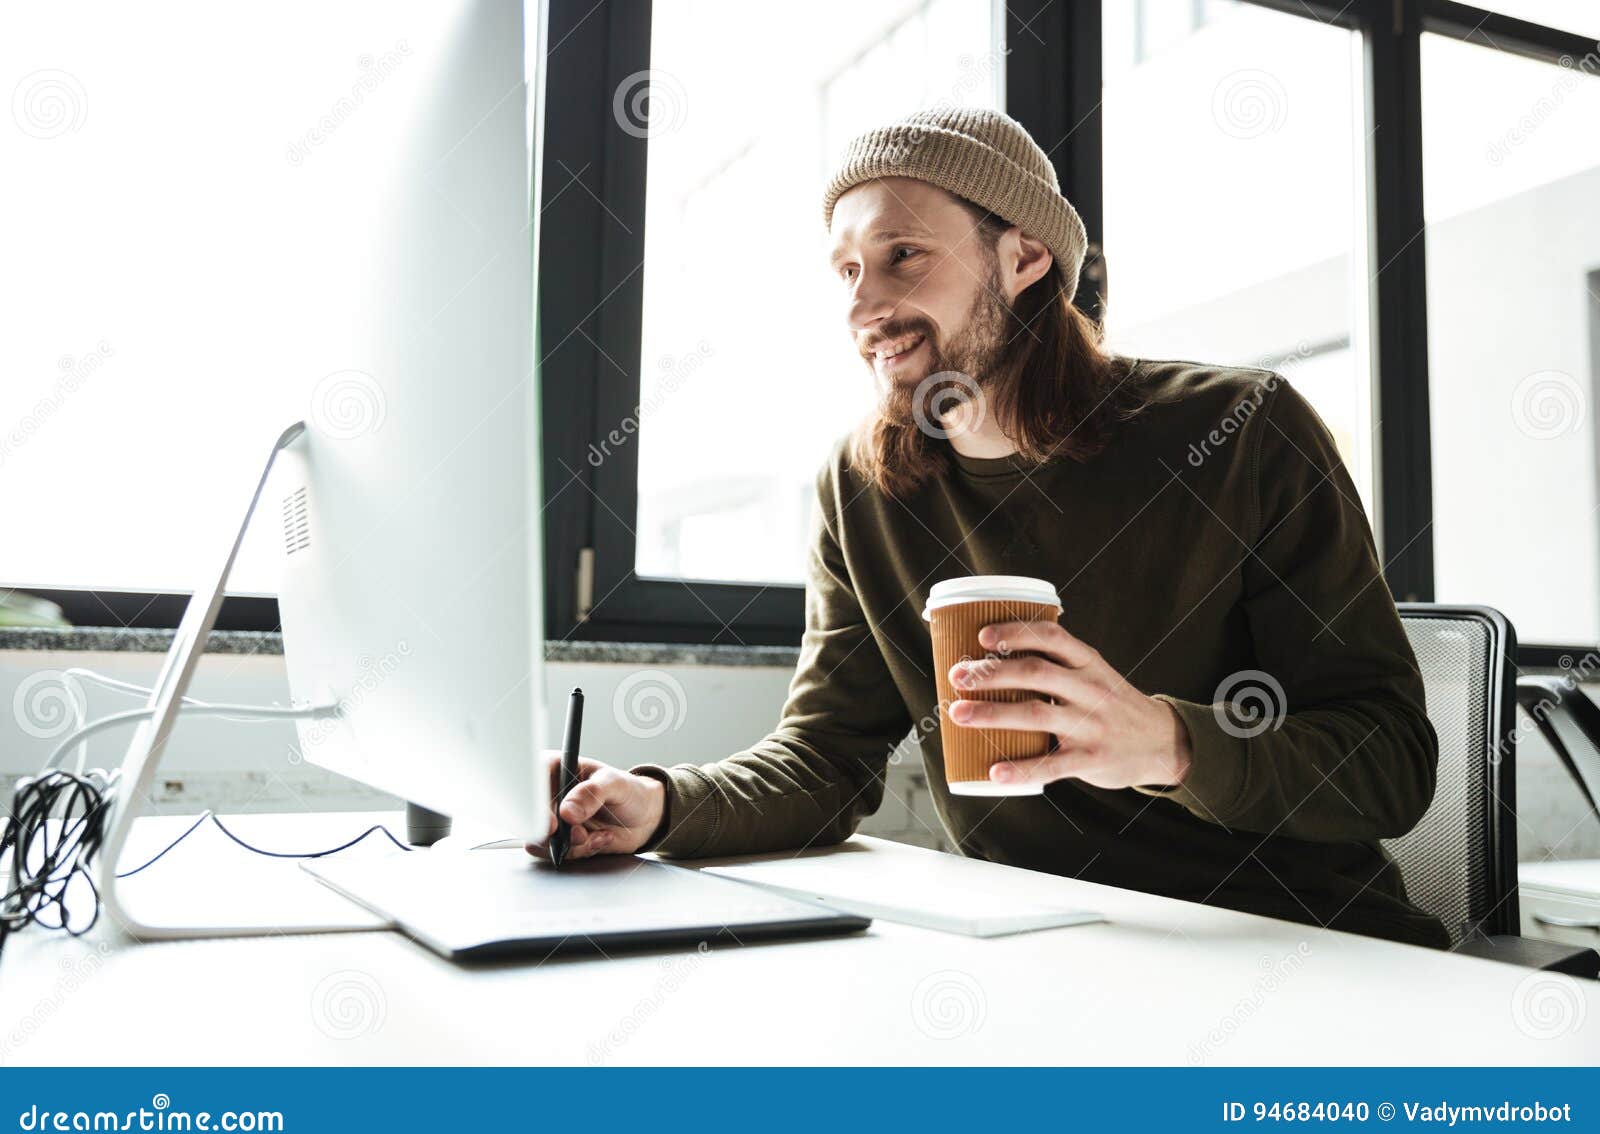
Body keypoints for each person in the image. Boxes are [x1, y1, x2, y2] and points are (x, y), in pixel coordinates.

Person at [527, 107, 1448, 950]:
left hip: (1299, 945)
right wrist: (655, 804)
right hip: (1054, 946)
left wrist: (1169, 743)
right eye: (847, 270)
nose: (861, 308)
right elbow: (824, 760)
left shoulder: (1243, 430)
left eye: (903, 257)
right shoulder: (863, 488)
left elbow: (1392, 763)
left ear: (1024, 256)